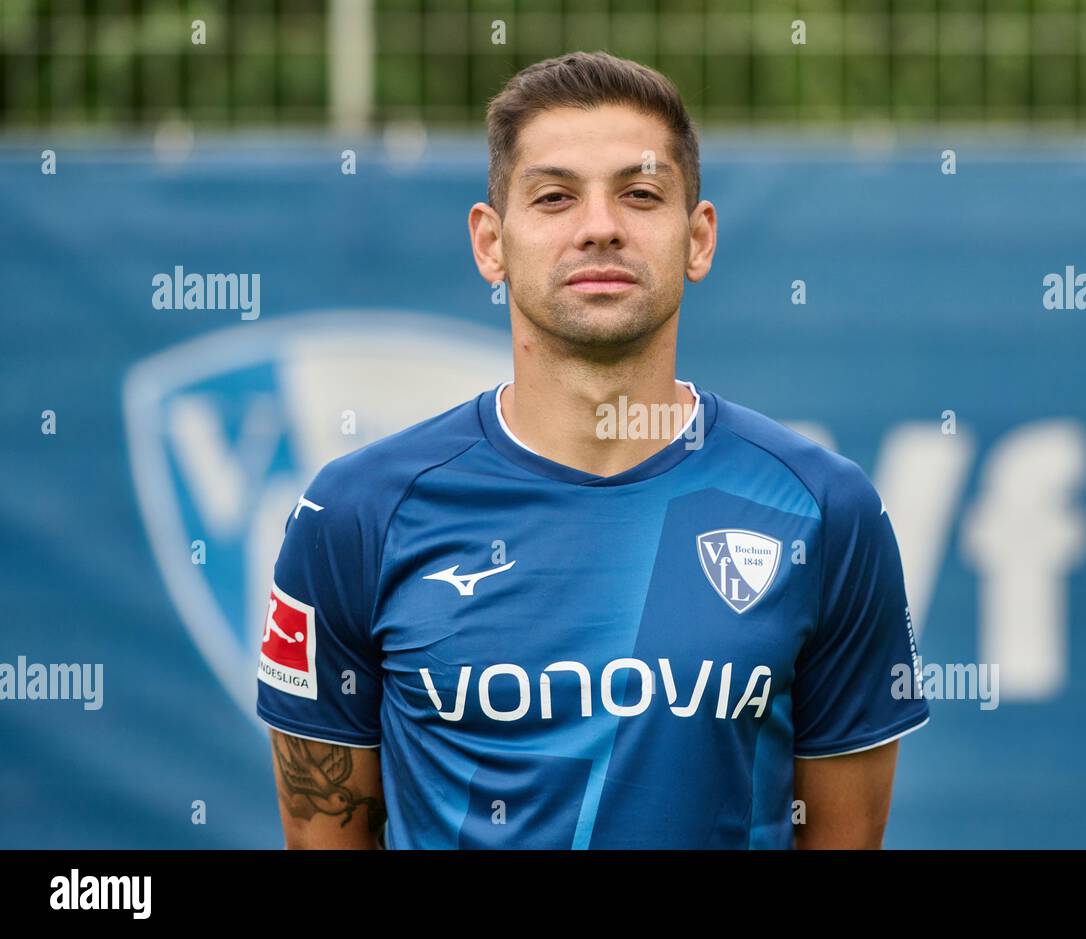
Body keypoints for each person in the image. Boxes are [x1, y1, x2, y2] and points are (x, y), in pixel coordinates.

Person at [256, 50, 929, 850]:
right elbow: (322, 835)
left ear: (699, 238)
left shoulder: (825, 510)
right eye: (554, 197)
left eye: (640, 194)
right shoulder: (355, 514)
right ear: (490, 244)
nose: (600, 225)